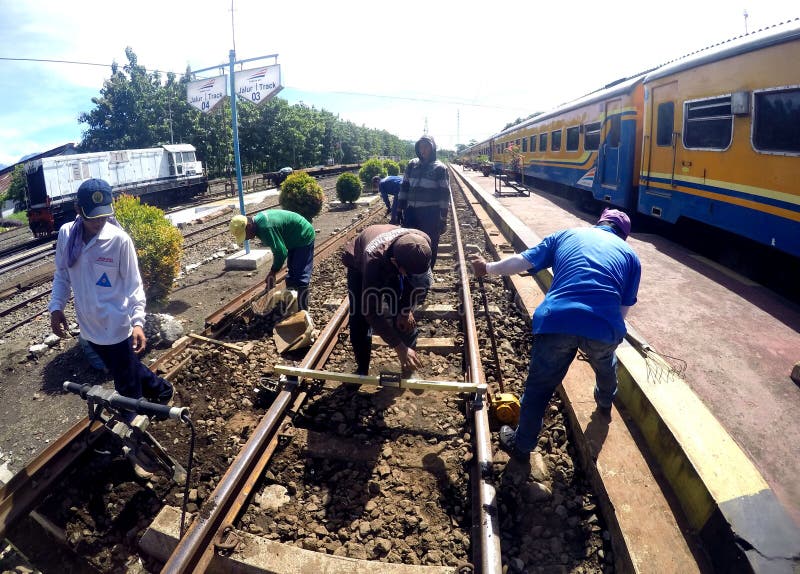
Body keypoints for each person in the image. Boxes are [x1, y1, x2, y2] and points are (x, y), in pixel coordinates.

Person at [471, 208, 641, 462]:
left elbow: (522, 262)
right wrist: (608, 333)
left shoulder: (566, 235)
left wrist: (487, 267)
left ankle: (522, 446)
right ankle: (605, 403)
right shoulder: (630, 256)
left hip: (557, 319)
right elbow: (623, 308)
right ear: (623, 235)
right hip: (604, 326)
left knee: (539, 388)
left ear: (600, 222)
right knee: (606, 364)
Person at [49, 178, 174, 407]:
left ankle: (133, 418)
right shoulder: (66, 235)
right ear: (78, 209)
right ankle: (163, 390)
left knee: (125, 385)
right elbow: (62, 275)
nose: (99, 222)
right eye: (93, 217)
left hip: (117, 326)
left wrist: (137, 322)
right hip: (90, 327)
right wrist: (56, 307)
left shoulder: (118, 240)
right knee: (124, 366)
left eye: (104, 216)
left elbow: (134, 285)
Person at [342, 224, 432, 376]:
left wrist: (405, 310)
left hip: (391, 255)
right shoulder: (373, 263)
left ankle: (409, 367)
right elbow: (370, 311)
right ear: (395, 263)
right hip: (359, 262)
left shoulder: (423, 242)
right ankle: (362, 369)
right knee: (359, 317)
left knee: (404, 316)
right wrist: (399, 347)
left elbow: (415, 283)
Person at [230, 210, 316, 311]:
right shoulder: (258, 222)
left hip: (303, 235)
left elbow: (281, 252)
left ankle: (303, 312)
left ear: (248, 226)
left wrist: (273, 272)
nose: (246, 239)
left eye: (245, 235)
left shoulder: (265, 228)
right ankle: (291, 304)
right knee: (292, 273)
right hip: (294, 237)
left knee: (301, 276)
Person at [398, 135, 451, 268]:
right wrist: (399, 209)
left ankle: (428, 272)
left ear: (433, 148)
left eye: (426, 146)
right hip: (411, 212)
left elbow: (444, 194)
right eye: (421, 147)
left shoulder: (440, 168)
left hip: (430, 214)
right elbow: (404, 186)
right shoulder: (412, 164)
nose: (423, 150)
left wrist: (443, 218)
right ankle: (412, 272)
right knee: (410, 242)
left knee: (430, 244)